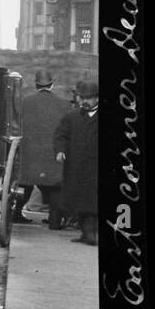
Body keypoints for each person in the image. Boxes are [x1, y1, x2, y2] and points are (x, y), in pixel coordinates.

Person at [15, 68, 70, 227]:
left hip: (29, 153)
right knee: (54, 186)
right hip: (52, 153)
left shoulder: (24, 102)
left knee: (25, 182)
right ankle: (54, 220)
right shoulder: (64, 104)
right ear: (52, 85)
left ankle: (17, 213)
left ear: (36, 85)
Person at [55, 79, 99, 245]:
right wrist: (60, 150)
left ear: (97, 99)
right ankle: (86, 233)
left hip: (96, 167)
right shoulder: (71, 117)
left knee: (93, 201)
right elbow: (61, 136)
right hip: (76, 166)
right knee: (79, 200)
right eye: (82, 98)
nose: (85, 101)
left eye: (89, 98)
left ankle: (91, 234)